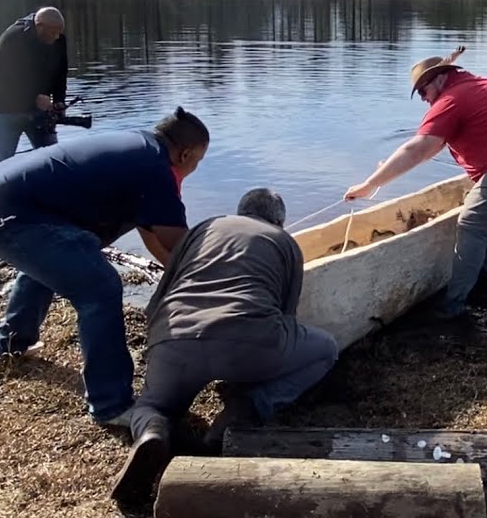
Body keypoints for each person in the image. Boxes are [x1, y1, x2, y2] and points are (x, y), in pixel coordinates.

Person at [0, 107, 210, 427]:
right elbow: (179, 242)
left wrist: (178, 276)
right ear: (185, 153)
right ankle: (111, 405)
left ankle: (9, 349)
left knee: (52, 262)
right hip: (6, 218)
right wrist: (213, 278)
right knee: (100, 288)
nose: (194, 168)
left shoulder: (141, 150)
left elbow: (153, 234)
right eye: (197, 162)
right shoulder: (155, 167)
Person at [109, 188, 338, 506]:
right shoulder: (285, 242)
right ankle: (245, 410)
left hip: (174, 336)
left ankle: (152, 431)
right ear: (280, 221)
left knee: (153, 405)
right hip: (248, 344)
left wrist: (159, 343)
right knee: (325, 348)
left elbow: (163, 292)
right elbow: (286, 318)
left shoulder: (205, 227)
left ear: (241, 211)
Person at [344, 48, 487, 317]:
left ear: (438, 80)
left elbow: (419, 148)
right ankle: (485, 286)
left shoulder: (452, 99)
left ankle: (454, 307)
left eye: (422, 92)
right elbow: (430, 148)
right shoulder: (473, 87)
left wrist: (369, 185)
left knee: (472, 222)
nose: (424, 100)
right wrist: (387, 171)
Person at [0, 7, 69, 163]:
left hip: (39, 110)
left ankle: (52, 186)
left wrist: (59, 100)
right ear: (39, 26)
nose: (56, 37)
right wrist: (34, 99)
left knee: (53, 158)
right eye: (52, 32)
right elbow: (3, 81)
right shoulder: (13, 38)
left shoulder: (59, 40)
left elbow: (60, 73)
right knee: (2, 161)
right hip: (4, 109)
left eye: (59, 32)